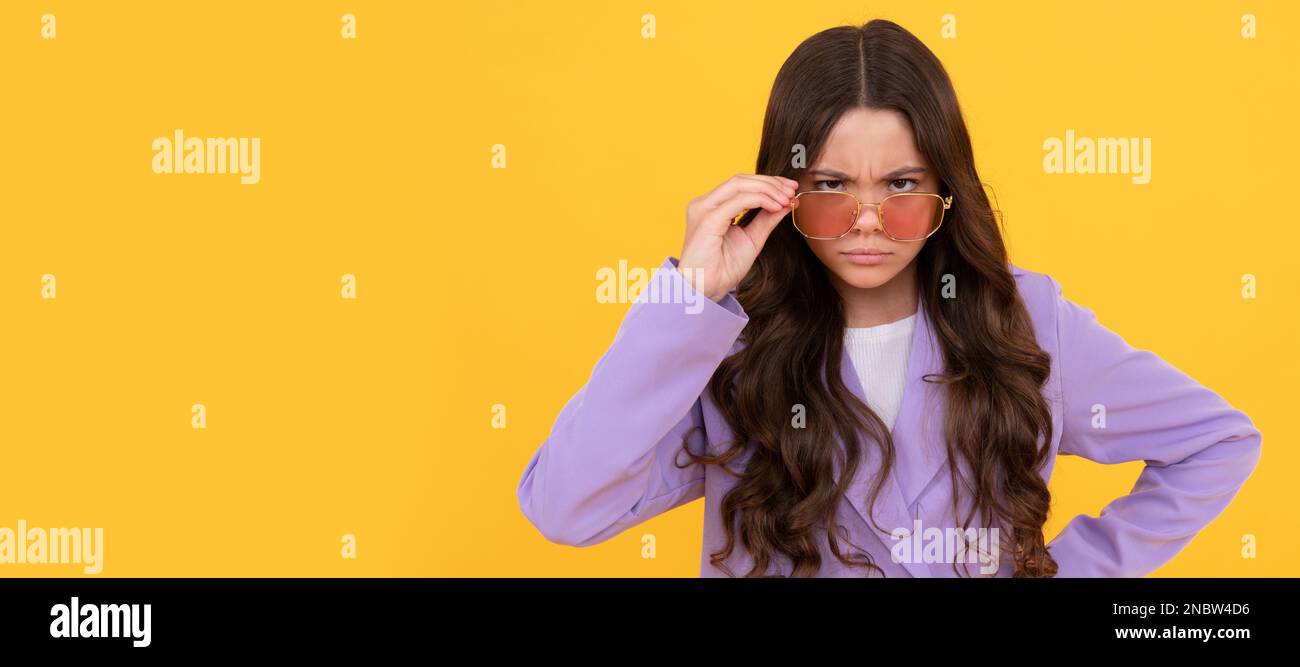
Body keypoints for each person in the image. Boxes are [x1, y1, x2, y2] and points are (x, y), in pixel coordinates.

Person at [516, 19, 1262, 577]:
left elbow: (1217, 441)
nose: (868, 220)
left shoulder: (1031, 324)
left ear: (944, 185)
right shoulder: (724, 347)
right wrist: (686, 300)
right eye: (833, 186)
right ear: (784, 189)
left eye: (900, 184)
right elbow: (564, 506)